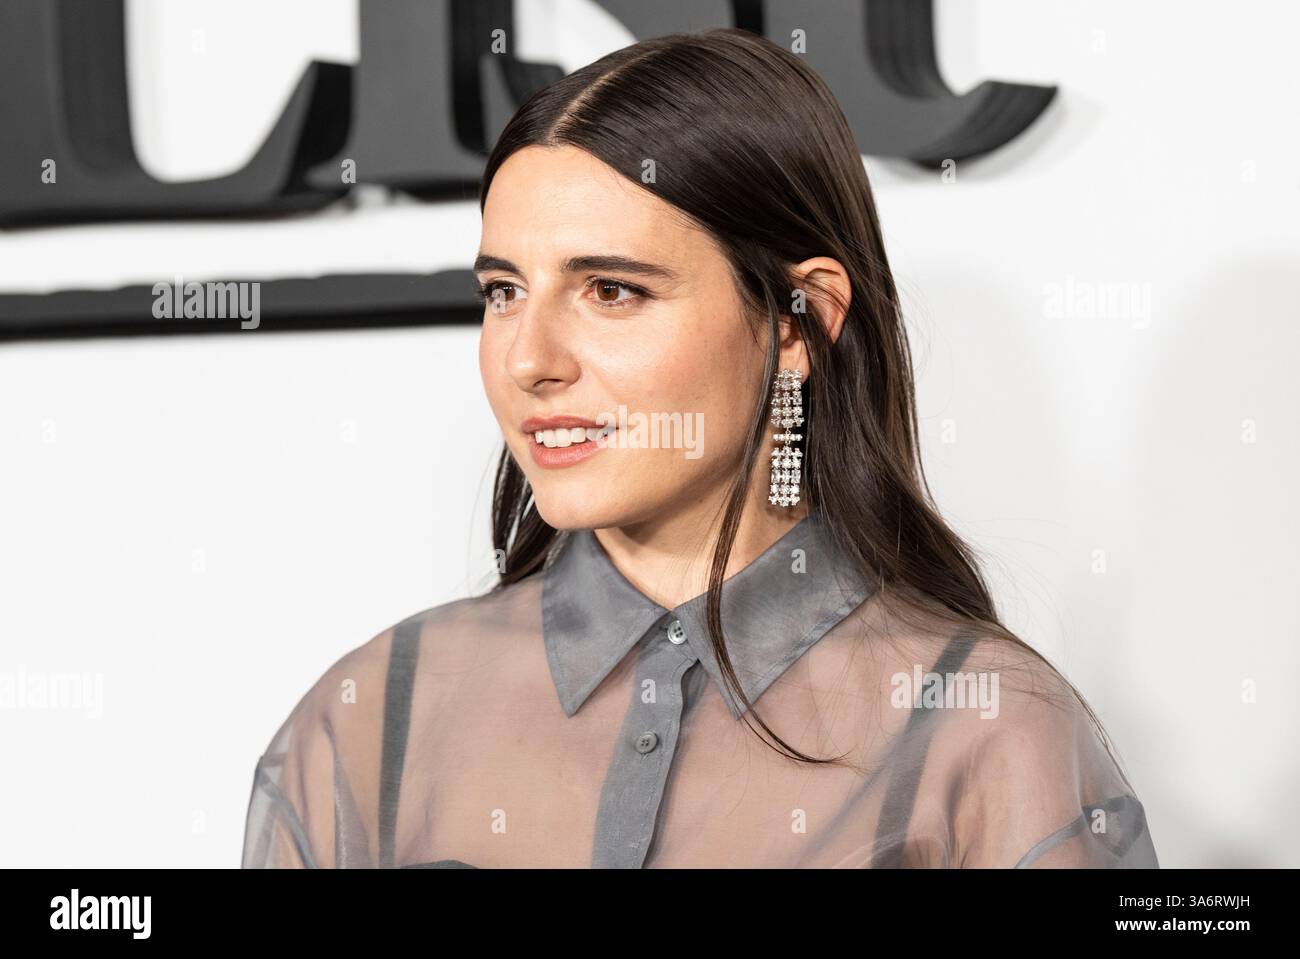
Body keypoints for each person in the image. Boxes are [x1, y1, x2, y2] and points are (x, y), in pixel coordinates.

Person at [241, 28, 1158, 869]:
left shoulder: (991, 733)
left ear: (801, 322)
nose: (528, 359)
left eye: (611, 291)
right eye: (503, 291)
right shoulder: (368, 722)